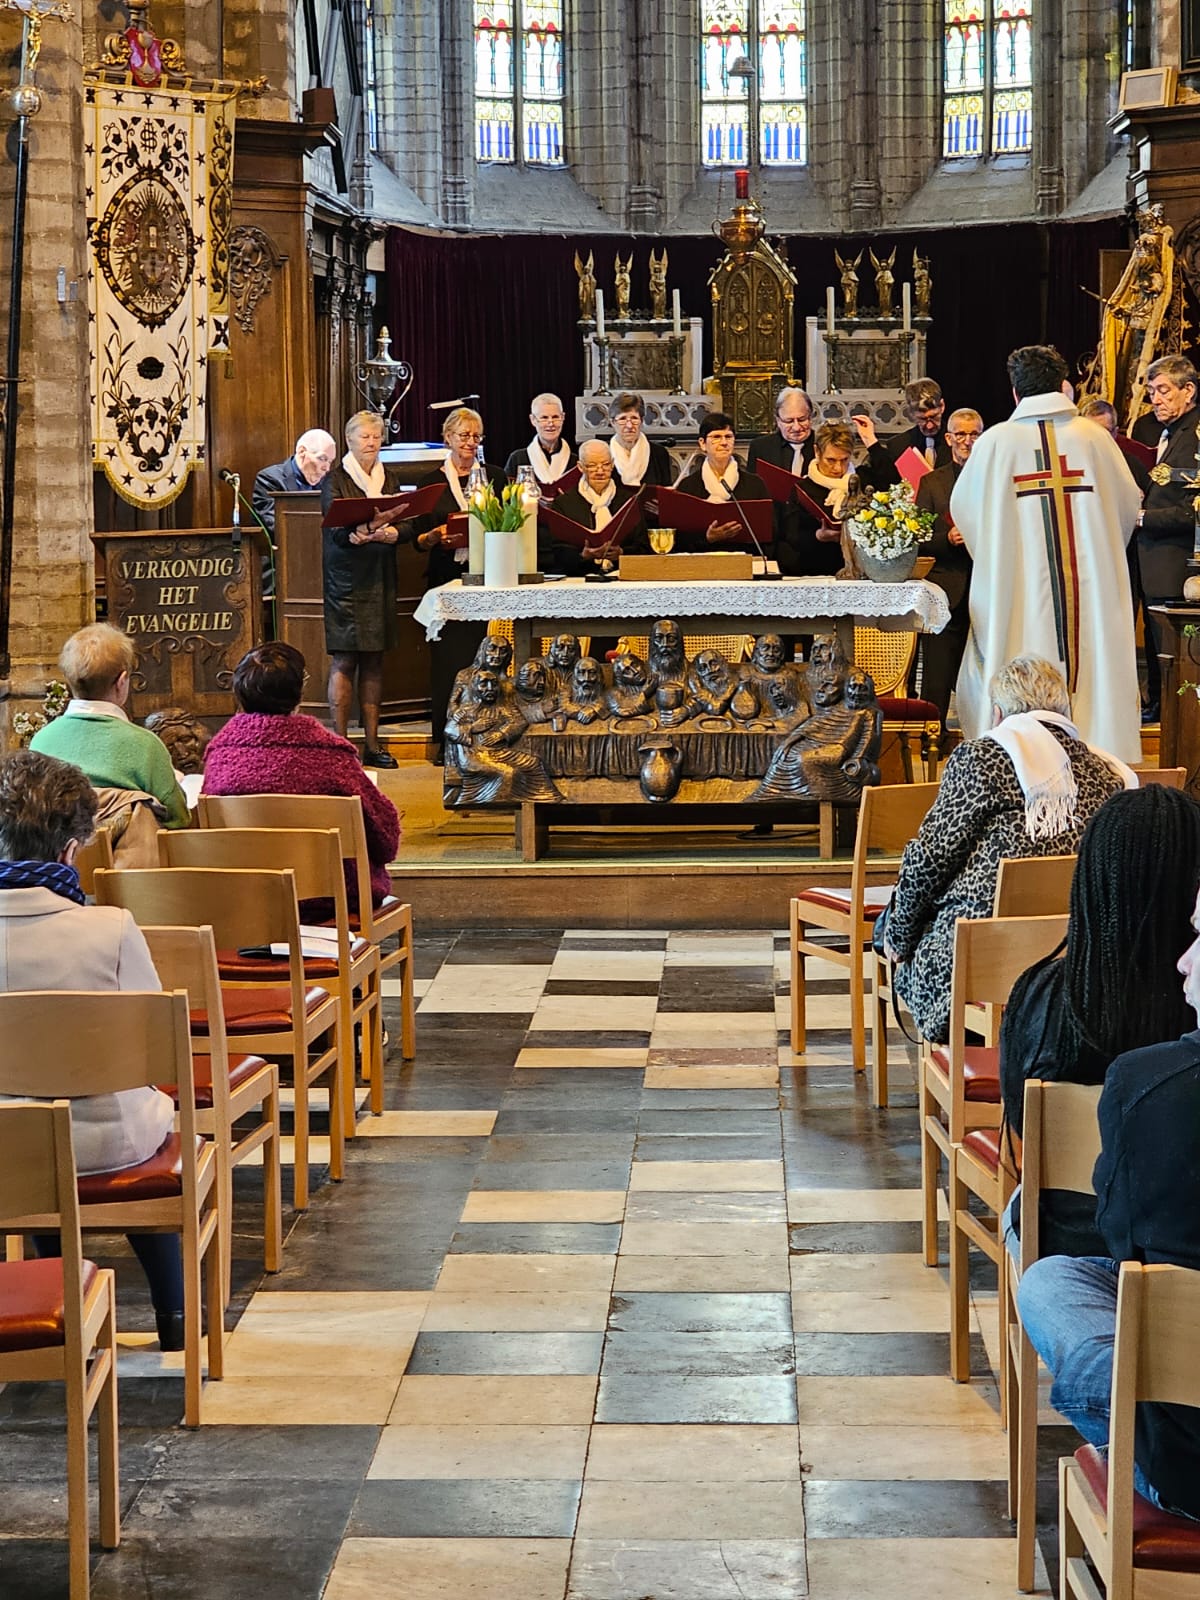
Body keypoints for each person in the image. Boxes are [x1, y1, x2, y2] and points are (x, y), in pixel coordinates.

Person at [1016, 878, 1200, 1521]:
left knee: (1049, 1279)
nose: (1183, 957)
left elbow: (1123, 1245)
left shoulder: (1149, 1082)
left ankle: (1117, 1406)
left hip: (1186, 1469)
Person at [0, 750, 184, 1350]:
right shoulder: (110, 927)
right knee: (149, 1119)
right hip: (102, 1141)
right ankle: (175, 1315)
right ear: (74, 847)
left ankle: (48, 1281)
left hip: (7, 1146)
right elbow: (156, 1051)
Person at [885, 656, 1131, 1044]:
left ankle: (965, 1057)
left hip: (989, 953)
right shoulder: (1106, 768)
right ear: (1063, 710)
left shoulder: (982, 756)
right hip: (1080, 949)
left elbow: (931, 858)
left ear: (998, 713)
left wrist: (898, 935)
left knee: (901, 927)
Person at [1000, 786, 1200, 1259]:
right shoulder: (1189, 1002)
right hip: (1181, 1244)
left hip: (1070, 1240)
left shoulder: (1044, 997)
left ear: (1091, 877)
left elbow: (1022, 1127)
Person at [950, 344, 1143, 763]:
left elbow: (966, 515)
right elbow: (1127, 507)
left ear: (1015, 394)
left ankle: (1016, 757)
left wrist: (1003, 556)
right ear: (1063, 387)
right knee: (1093, 670)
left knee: (1012, 642)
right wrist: (1099, 550)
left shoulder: (996, 443)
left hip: (1015, 593)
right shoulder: (1095, 439)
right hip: (1089, 594)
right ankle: (1100, 760)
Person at [202, 642, 400, 914]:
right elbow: (386, 838)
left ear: (240, 692)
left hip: (247, 898)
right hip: (333, 898)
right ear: (298, 693)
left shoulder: (219, 757)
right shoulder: (331, 756)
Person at [407, 407, 507, 755]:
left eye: (476, 436)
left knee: (489, 659)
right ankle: (447, 741)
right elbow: (417, 539)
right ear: (447, 437)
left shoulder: (494, 476)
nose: (470, 442)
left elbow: (509, 522)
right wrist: (436, 536)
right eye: (463, 435)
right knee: (451, 663)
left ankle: (488, 737)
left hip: (490, 576)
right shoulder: (429, 483)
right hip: (446, 576)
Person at [30, 623, 189, 828]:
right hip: (132, 858)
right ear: (122, 681)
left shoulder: (42, 742)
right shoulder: (146, 746)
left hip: (62, 860)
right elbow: (179, 819)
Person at [322, 410, 412, 768]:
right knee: (345, 658)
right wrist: (360, 531)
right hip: (346, 580)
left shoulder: (389, 475)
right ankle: (341, 748)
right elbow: (334, 528)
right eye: (365, 437)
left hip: (380, 575)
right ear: (349, 440)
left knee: (375, 660)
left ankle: (373, 745)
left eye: (376, 437)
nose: (372, 443)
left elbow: (408, 522)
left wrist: (393, 532)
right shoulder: (336, 479)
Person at [1135, 355, 1200, 722]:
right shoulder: (1169, 434)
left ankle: (1174, 722)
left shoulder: (1195, 434)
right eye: (1151, 392)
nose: (1155, 399)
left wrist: (1142, 516)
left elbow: (1195, 510)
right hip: (1157, 568)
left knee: (1177, 659)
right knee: (1161, 657)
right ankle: (1160, 710)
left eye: (1163, 390)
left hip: (1179, 569)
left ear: (1188, 390)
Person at [913, 407, 983, 724]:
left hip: (986, 586)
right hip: (946, 587)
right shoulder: (932, 482)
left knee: (986, 672)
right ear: (949, 438)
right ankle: (933, 736)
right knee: (937, 674)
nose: (967, 441)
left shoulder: (995, 478)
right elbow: (919, 536)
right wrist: (947, 537)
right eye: (961, 434)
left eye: (974, 434)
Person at [542, 439, 647, 576]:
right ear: (580, 467)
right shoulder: (564, 503)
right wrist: (583, 556)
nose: (600, 471)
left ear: (613, 464)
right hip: (579, 579)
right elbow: (556, 552)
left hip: (624, 576)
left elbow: (644, 546)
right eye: (592, 465)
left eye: (606, 464)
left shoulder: (628, 501)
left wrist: (622, 553)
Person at [673, 412, 770, 552]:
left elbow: (768, 529)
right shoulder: (688, 487)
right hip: (702, 562)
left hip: (745, 559)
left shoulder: (755, 485)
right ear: (702, 443)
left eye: (728, 437)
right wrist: (708, 538)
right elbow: (680, 539)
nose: (724, 442)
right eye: (716, 437)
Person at [251, 428, 338, 537]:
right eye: (322, 458)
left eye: (330, 461)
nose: (327, 468)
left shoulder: (328, 483)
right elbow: (276, 526)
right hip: (285, 550)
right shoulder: (269, 479)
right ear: (302, 452)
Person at [504, 393, 576, 488]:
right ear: (533, 420)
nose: (550, 423)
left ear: (563, 417)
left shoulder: (575, 462)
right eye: (544, 418)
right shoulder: (517, 459)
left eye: (555, 417)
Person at [607, 393, 673, 488]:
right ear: (612, 422)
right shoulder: (604, 454)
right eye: (622, 419)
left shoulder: (659, 453)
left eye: (634, 418)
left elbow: (666, 492)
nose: (629, 426)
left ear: (641, 421)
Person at [885, 378, 952, 470]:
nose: (929, 426)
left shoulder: (959, 443)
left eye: (934, 416)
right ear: (910, 413)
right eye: (922, 419)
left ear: (942, 406)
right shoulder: (898, 446)